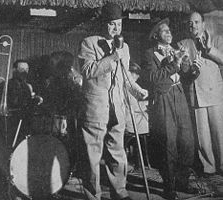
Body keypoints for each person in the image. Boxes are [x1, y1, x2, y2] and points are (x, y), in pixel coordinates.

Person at [78, 3, 148, 200]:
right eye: (111, 24)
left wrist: (138, 91)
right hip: (96, 107)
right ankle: (93, 195)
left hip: (117, 107)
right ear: (103, 24)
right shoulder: (89, 42)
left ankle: (120, 192)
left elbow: (126, 77)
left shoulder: (124, 46)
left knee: (117, 152)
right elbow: (88, 71)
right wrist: (112, 57)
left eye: (118, 24)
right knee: (92, 155)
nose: (116, 29)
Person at [141, 18, 197, 200]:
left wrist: (193, 68)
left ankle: (182, 181)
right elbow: (152, 78)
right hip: (163, 97)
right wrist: (174, 63)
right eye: (164, 31)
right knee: (168, 142)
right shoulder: (149, 54)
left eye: (169, 30)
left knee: (187, 141)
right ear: (156, 35)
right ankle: (169, 186)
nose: (169, 33)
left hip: (179, 95)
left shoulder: (176, 50)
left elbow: (186, 75)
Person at [178, 11, 223, 176]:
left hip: (216, 93)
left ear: (203, 24)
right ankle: (209, 167)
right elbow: (183, 71)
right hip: (197, 93)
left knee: (220, 133)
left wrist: (209, 49)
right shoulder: (183, 44)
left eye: (196, 22)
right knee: (202, 135)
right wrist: (191, 70)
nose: (193, 26)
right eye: (190, 23)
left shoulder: (217, 39)